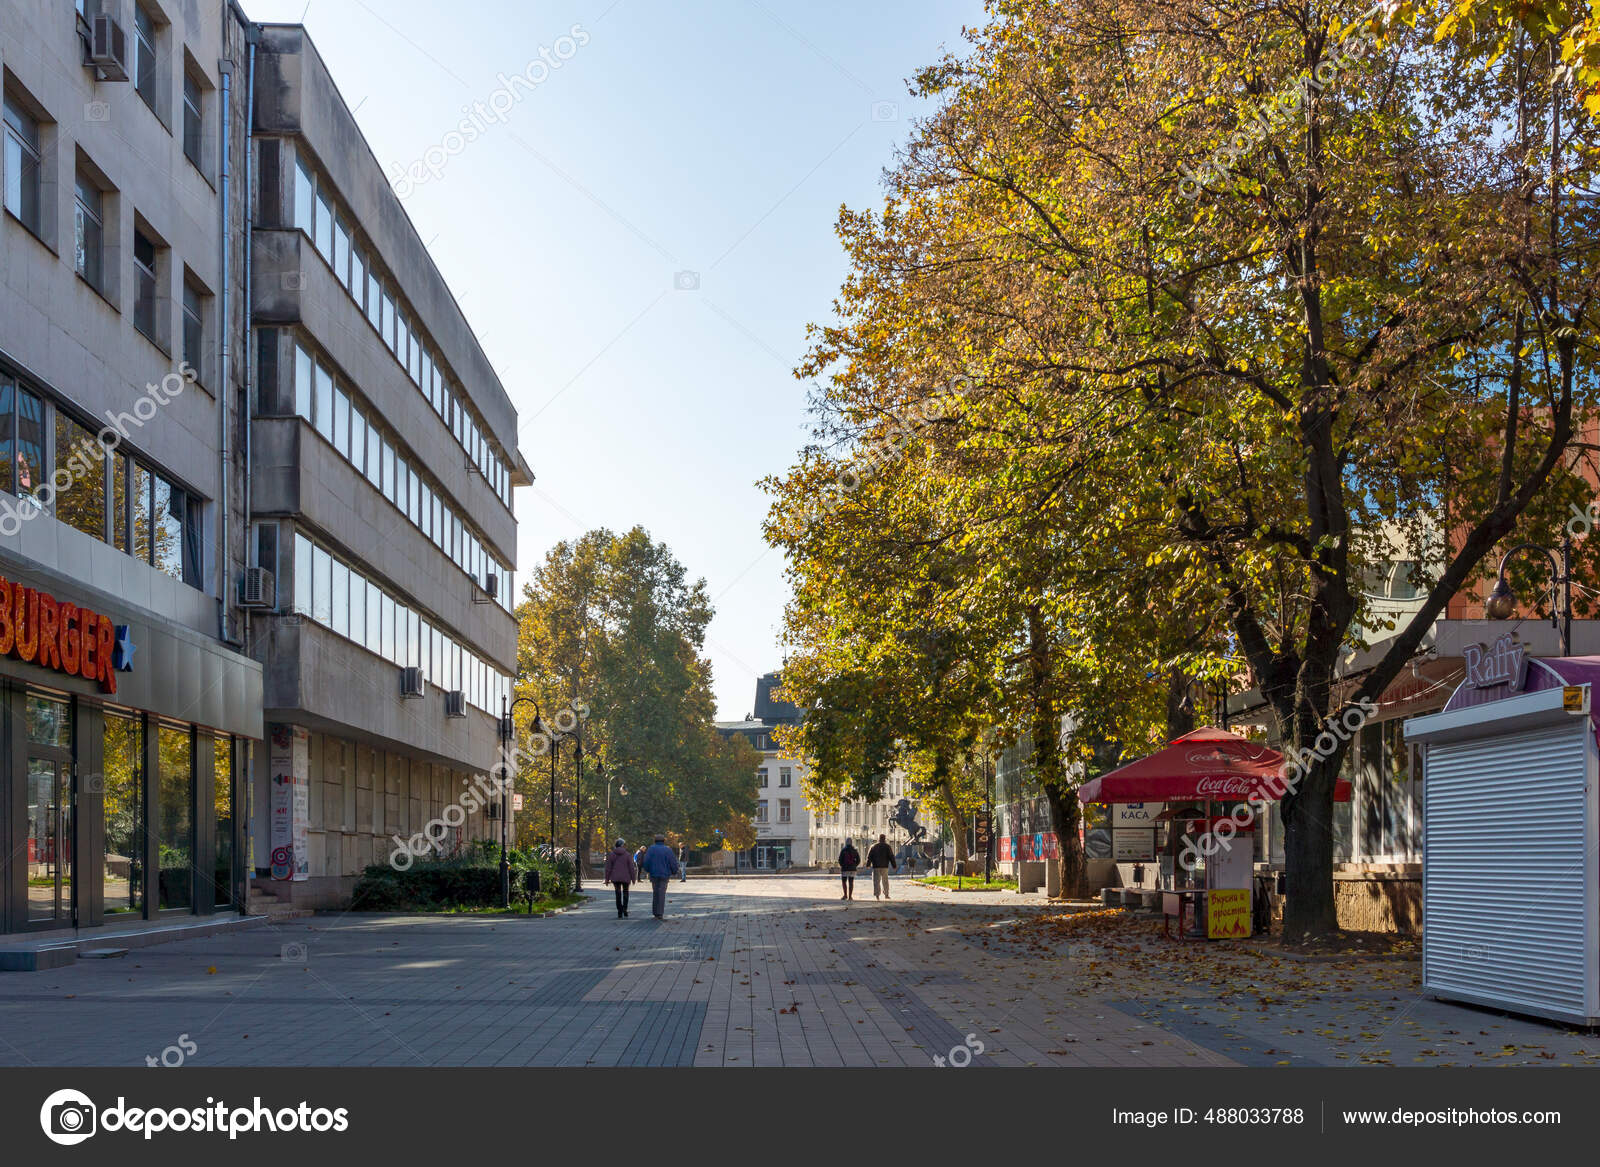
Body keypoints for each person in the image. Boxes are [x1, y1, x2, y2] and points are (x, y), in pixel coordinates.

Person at [640, 834, 681, 919]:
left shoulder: (651, 849)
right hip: (664, 874)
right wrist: (674, 871)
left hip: (654, 874)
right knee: (661, 893)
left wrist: (648, 870)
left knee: (655, 892)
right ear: (663, 841)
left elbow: (646, 861)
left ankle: (655, 912)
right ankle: (660, 912)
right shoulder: (667, 850)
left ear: (655, 841)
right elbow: (673, 862)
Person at [603, 839, 636, 918]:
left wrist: (607, 879)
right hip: (626, 877)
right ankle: (625, 909)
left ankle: (619, 911)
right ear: (622, 845)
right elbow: (631, 868)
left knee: (617, 894)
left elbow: (608, 868)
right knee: (625, 893)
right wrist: (633, 878)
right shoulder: (627, 855)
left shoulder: (611, 854)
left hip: (615, 877)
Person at [866, 833, 895, 899]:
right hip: (885, 866)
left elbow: (869, 856)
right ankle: (886, 894)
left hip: (876, 866)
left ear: (879, 839)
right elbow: (891, 856)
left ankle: (877, 895)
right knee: (885, 881)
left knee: (876, 881)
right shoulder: (887, 846)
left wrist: (868, 864)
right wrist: (894, 865)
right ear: (884, 839)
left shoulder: (873, 846)